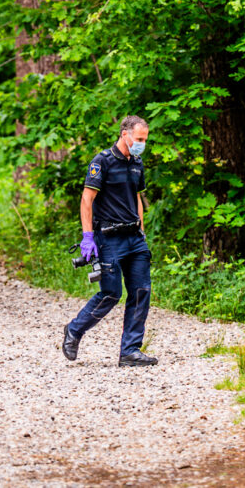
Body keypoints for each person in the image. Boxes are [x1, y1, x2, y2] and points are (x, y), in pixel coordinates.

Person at [62, 115, 157, 367]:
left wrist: (142, 232)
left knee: (141, 292)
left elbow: (137, 198)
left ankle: (130, 351)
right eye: (139, 139)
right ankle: (74, 330)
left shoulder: (137, 163)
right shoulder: (101, 162)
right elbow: (86, 200)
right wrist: (87, 237)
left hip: (135, 239)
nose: (142, 144)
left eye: (144, 140)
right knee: (111, 293)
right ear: (125, 134)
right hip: (110, 238)